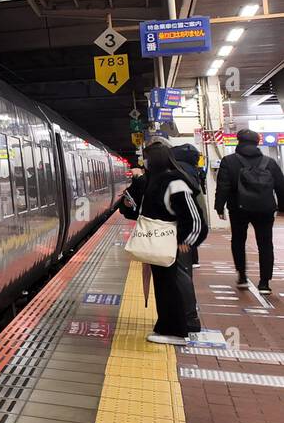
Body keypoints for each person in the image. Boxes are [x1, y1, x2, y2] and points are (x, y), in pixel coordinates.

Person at [120, 143, 204, 345]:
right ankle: (166, 327)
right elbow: (141, 208)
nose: (144, 163)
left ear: (155, 160)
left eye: (146, 159)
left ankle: (177, 331)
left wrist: (187, 241)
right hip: (160, 241)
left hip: (171, 241)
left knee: (171, 286)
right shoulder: (157, 180)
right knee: (164, 286)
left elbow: (193, 217)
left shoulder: (175, 181)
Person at [214, 129, 284, 294]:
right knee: (265, 244)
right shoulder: (270, 162)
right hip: (265, 208)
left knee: (238, 240)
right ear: (257, 142)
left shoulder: (229, 161)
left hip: (238, 208)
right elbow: (281, 186)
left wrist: (219, 206)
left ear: (238, 141)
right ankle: (264, 283)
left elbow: (223, 185)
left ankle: (242, 277)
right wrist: (282, 208)